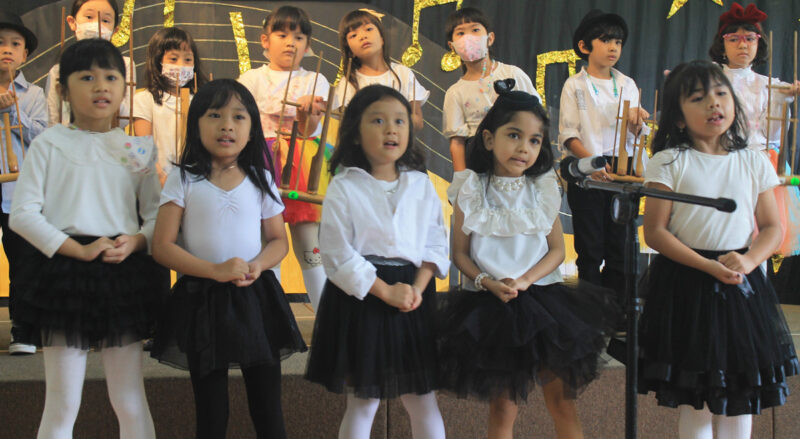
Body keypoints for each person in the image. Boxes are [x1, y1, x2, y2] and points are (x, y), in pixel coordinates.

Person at [439, 79, 616, 439]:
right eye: (514, 135)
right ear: (489, 139)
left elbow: (557, 250)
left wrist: (525, 280)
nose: (524, 147)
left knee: (562, 402)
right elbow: (460, 253)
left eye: (535, 140)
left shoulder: (542, 186)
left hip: (545, 301)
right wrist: (486, 281)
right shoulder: (470, 188)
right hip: (491, 304)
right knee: (503, 408)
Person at [10, 38, 165, 439]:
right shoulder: (49, 143)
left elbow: (155, 216)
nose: (101, 87)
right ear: (63, 90)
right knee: (63, 402)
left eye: (111, 77)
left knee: (129, 398)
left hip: (122, 272)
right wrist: (76, 249)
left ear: (124, 87)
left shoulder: (135, 147)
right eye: (87, 77)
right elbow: (23, 214)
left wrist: (136, 241)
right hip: (64, 275)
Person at [638, 60, 798, 439]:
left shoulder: (753, 159)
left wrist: (748, 260)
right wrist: (708, 267)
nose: (714, 103)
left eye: (721, 94)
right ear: (678, 118)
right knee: (696, 394)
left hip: (742, 279)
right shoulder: (669, 161)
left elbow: (772, 227)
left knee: (741, 388)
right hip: (687, 281)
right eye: (698, 98)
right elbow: (655, 232)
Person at [150, 79, 306, 439]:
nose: (227, 126)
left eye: (238, 117)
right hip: (201, 301)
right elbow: (162, 246)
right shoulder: (182, 178)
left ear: (252, 130)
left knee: (267, 406)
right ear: (195, 125)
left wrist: (259, 265)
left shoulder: (261, 178)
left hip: (256, 296)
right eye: (214, 115)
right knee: (211, 409)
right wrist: (213, 271)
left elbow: (278, 240)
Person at [305, 85, 449, 439]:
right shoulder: (344, 185)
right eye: (378, 120)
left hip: (414, 297)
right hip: (364, 297)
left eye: (399, 121)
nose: (391, 129)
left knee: (422, 399)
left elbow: (434, 242)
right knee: (363, 402)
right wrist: (386, 292)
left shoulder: (420, 184)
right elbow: (337, 253)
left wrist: (416, 289)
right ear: (355, 132)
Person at [238, 5, 330, 311]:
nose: (291, 42)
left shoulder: (315, 80)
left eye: (299, 37)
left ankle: (326, 321)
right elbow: (243, 121)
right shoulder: (252, 78)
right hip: (261, 161)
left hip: (301, 165)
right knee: (267, 244)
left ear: (308, 44)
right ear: (265, 40)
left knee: (309, 246)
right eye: (282, 35)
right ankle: (272, 320)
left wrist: (307, 113)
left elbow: (310, 130)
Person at [558, 9, 649, 297]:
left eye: (618, 42)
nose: (613, 47)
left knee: (620, 247)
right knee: (590, 248)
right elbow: (569, 135)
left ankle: (617, 309)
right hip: (588, 167)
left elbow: (637, 134)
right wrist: (591, 163)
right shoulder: (574, 85)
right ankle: (589, 309)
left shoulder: (627, 84)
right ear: (584, 46)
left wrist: (638, 122)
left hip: (623, 169)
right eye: (606, 40)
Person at [0, 9, 47, 356]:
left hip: (17, 189)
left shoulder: (34, 94)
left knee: (23, 260)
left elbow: (43, 138)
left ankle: (24, 329)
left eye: (15, 44)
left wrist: (13, 110)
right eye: (0, 42)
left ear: (25, 54)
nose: (7, 49)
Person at [442, 7, 541, 171]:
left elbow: (538, 116)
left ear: (490, 38)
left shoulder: (512, 74)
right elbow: (457, 143)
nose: (468, 37)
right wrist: (462, 180)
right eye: (460, 33)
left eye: (475, 30)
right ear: (452, 46)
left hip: (519, 160)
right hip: (481, 165)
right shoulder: (455, 92)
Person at [133, 26, 207, 185]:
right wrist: (162, 179)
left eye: (188, 59)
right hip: (157, 182)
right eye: (173, 59)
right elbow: (144, 147)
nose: (181, 65)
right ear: (157, 61)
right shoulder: (144, 99)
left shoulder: (201, 100)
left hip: (194, 183)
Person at [333, 8, 428, 131]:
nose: (363, 36)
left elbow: (417, 121)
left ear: (382, 38)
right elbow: (346, 126)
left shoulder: (403, 73)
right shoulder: (348, 82)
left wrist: (392, 119)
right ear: (350, 50)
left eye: (368, 29)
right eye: (353, 35)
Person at [44, 0, 135, 128]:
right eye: (89, 17)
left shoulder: (124, 64)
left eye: (105, 20)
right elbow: (52, 119)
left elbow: (125, 118)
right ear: (72, 22)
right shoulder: (58, 70)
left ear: (115, 30)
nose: (96, 24)